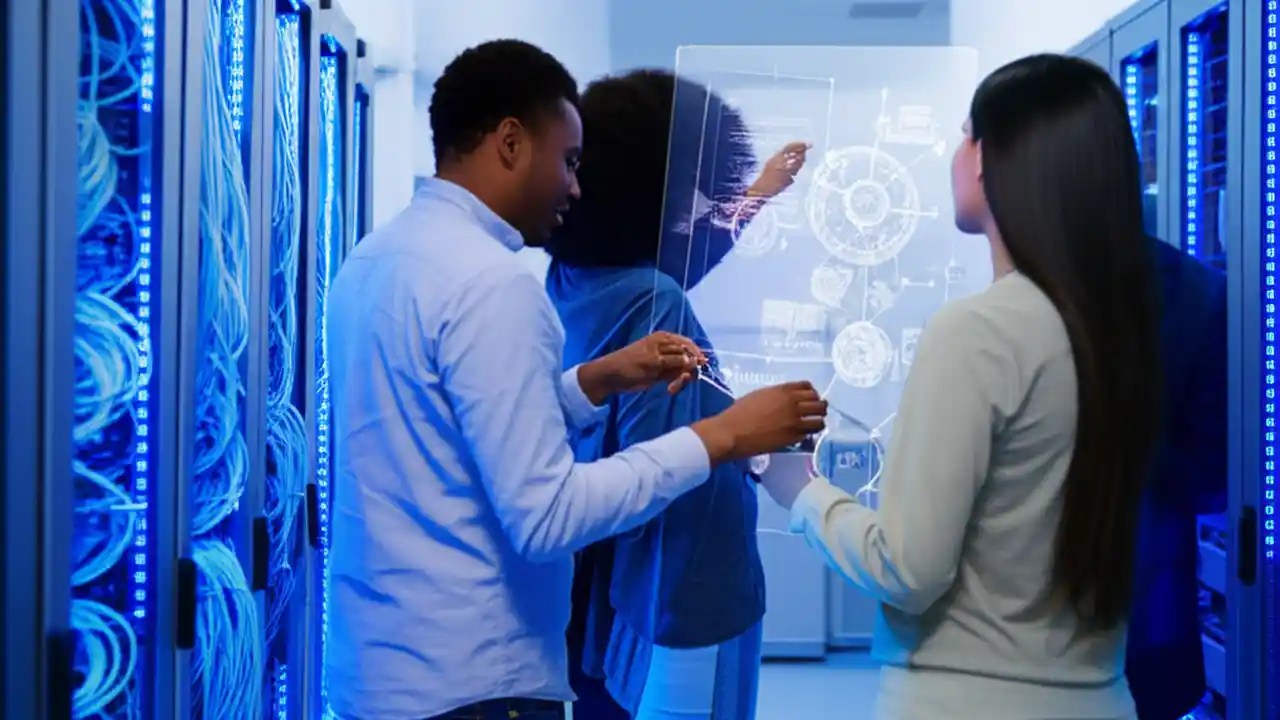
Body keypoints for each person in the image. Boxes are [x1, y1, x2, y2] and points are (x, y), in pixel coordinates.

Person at [323, 40, 827, 720]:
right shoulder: (495, 285)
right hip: (478, 687)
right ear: (510, 142)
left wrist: (590, 382)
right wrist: (726, 436)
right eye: (567, 161)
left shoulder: (378, 259)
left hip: (388, 672)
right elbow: (548, 515)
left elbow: (455, 437)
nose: (574, 187)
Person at [759, 53, 1163, 719]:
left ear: (989, 160)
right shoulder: (1118, 332)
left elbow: (906, 569)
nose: (956, 154)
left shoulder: (977, 331)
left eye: (965, 134)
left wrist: (797, 488)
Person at [543, 69, 808, 720]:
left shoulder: (577, 277)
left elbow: (682, 262)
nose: (698, 208)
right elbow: (657, 467)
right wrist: (745, 435)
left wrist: (757, 195)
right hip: (685, 599)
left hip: (616, 597)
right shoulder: (653, 299)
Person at [1126, 237, 1227, 719]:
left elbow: (1212, 481)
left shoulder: (1193, 294)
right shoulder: (1194, 289)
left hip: (1144, 633)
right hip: (1145, 635)